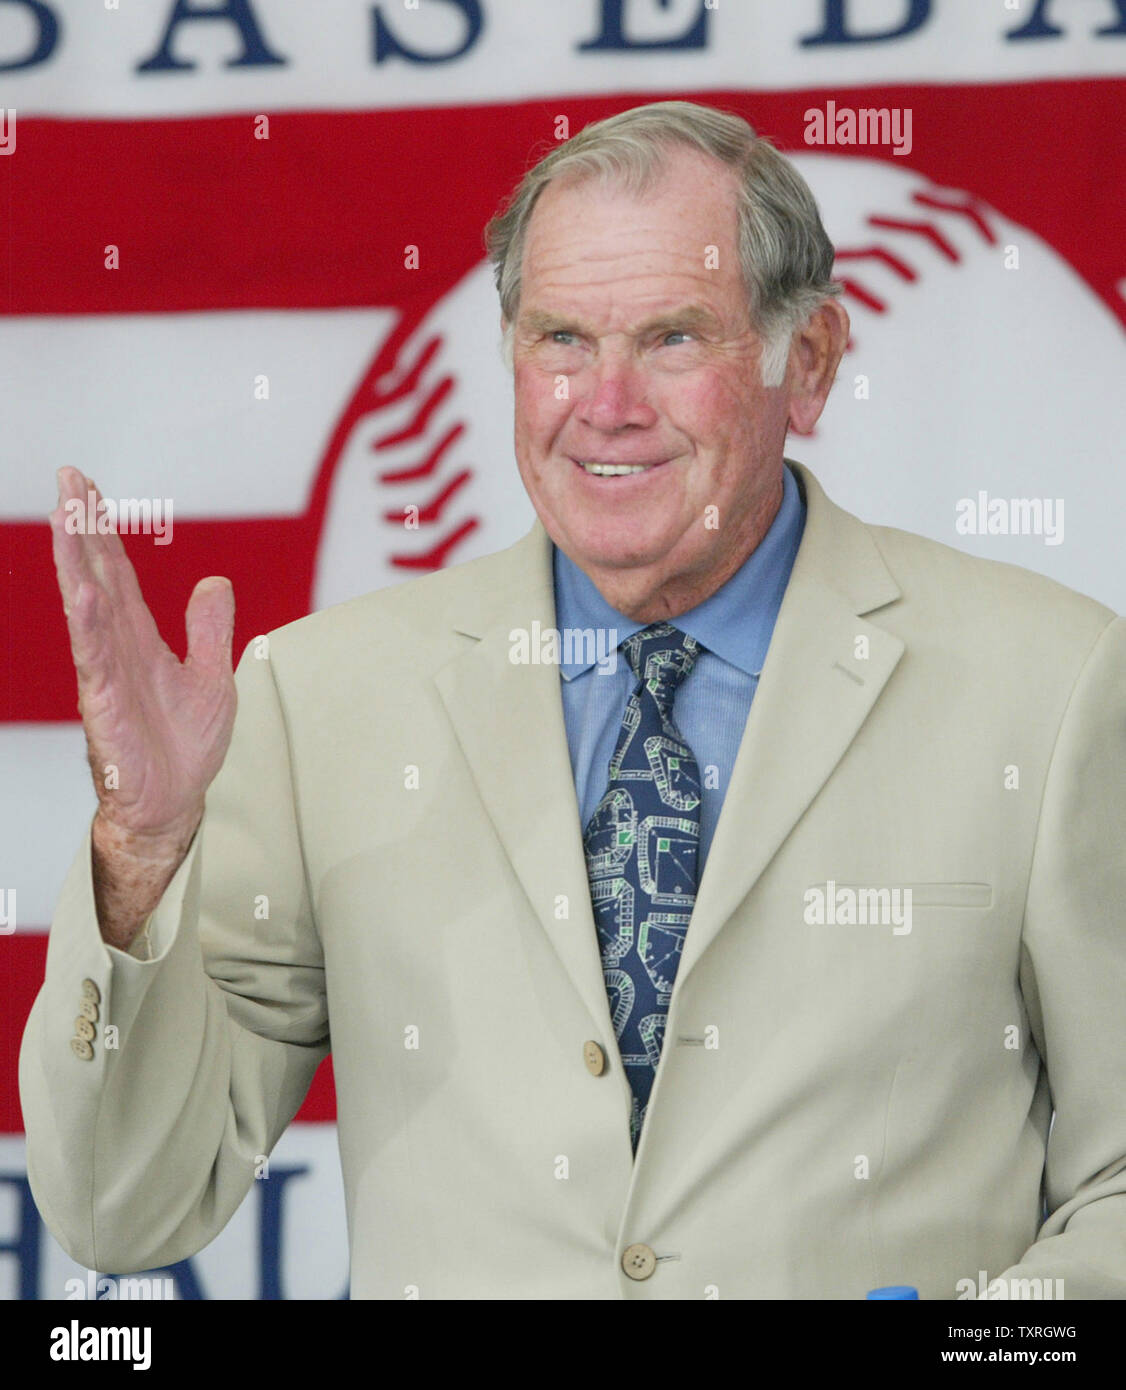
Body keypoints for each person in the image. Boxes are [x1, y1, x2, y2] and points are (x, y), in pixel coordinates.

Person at [20, 101, 1126, 1300]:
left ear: (803, 365)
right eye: (558, 338)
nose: (603, 402)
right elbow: (123, 1205)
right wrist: (140, 854)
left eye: (670, 338)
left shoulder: (1051, 686)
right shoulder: (319, 698)